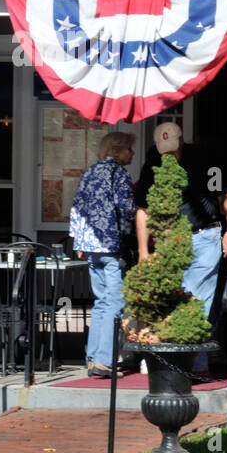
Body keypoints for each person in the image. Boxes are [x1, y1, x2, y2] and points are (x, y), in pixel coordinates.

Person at [134, 122, 227, 323]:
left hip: (205, 236)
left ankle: (191, 352)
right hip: (170, 239)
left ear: (182, 142)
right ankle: (177, 351)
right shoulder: (152, 161)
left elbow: (224, 193)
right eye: (163, 152)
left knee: (197, 298)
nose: (168, 156)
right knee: (171, 296)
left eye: (173, 151)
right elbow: (143, 209)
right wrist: (143, 252)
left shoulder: (205, 157)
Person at [69, 130, 136, 378]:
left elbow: (77, 206)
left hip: (91, 248)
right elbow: (126, 207)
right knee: (116, 302)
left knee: (100, 303)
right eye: (129, 148)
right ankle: (105, 360)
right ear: (117, 150)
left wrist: (78, 240)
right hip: (113, 245)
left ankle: (93, 358)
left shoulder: (90, 172)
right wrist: (145, 211)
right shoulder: (119, 174)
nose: (132, 153)